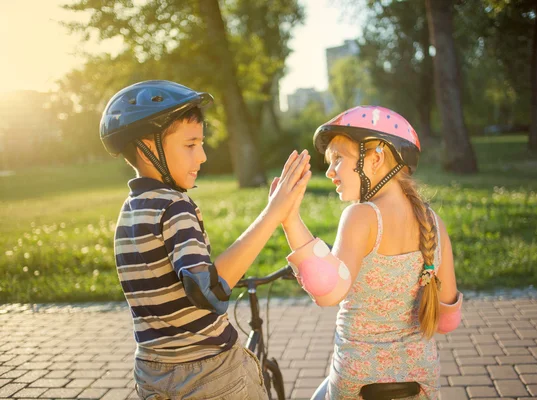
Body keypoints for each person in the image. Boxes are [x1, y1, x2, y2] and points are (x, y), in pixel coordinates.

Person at [99, 80, 311, 400]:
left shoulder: (131, 210)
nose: (202, 157)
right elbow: (209, 291)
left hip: (152, 371)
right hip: (209, 375)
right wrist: (274, 213)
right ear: (147, 145)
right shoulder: (174, 206)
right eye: (190, 144)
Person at [276, 106, 462, 400]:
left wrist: (289, 220)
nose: (330, 172)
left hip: (358, 380)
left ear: (375, 159)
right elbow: (447, 321)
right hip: (421, 377)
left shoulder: (362, 216)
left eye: (338, 159)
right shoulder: (434, 223)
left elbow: (329, 292)